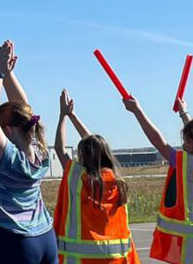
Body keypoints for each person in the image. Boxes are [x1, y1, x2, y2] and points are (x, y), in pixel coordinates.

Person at [124, 93, 193, 264]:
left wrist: (137, 111)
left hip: (192, 250)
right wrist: (184, 113)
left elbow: (158, 141)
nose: (183, 145)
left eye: (186, 141)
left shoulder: (187, 164)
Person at [0, 40, 55, 264]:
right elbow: (23, 108)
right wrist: (9, 74)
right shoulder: (39, 150)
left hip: (15, 242)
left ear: (9, 131)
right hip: (44, 236)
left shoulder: (10, 159)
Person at [52, 89, 140, 264]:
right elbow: (93, 144)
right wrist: (73, 115)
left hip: (82, 260)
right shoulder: (117, 182)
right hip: (114, 260)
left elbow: (60, 149)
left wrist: (63, 116)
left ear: (85, 156)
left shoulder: (79, 178)